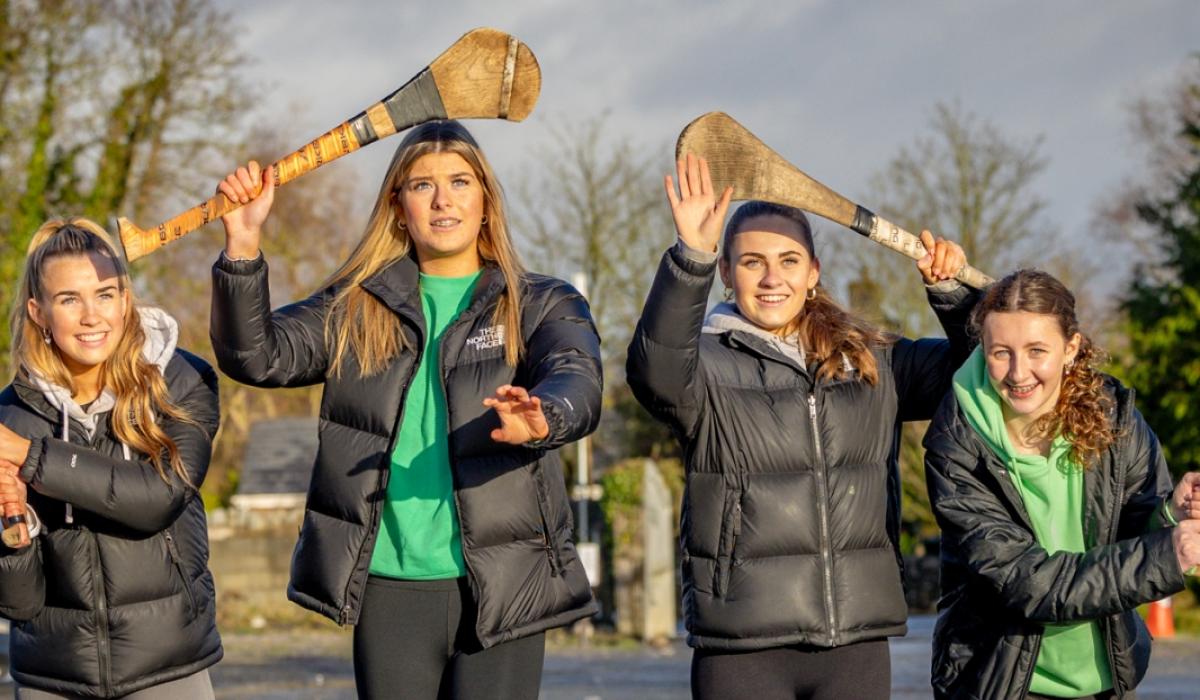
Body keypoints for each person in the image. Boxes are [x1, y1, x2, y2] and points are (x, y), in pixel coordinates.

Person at [209, 119, 602, 699]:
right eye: (422, 185)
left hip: (505, 583)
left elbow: (579, 377)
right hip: (390, 586)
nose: (443, 200)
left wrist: (545, 414)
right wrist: (242, 251)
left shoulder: (539, 301)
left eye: (460, 182)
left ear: (486, 201)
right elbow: (258, 356)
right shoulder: (354, 305)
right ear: (398, 205)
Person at [625, 155, 978, 699]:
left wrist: (953, 298)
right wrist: (690, 255)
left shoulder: (871, 360)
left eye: (789, 261)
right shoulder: (705, 368)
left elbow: (984, 373)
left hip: (854, 643)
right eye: (752, 262)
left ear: (813, 273)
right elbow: (656, 368)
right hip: (742, 645)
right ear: (725, 272)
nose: (772, 278)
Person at [923, 268, 1200, 700]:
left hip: (1106, 682)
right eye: (1001, 353)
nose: (1018, 373)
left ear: (1070, 348)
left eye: (1037, 350)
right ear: (981, 350)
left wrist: (1170, 514)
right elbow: (1028, 584)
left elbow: (1126, 537)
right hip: (999, 683)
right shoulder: (957, 445)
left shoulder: (1117, 421)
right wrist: (1168, 554)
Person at [0, 218, 222, 699]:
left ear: (126, 300)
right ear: (39, 313)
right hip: (51, 679)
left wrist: (31, 458)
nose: (91, 316)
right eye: (68, 299)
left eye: (104, 294)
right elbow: (16, 604)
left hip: (168, 668)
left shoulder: (181, 384)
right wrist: (12, 525)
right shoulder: (11, 416)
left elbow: (157, 497)